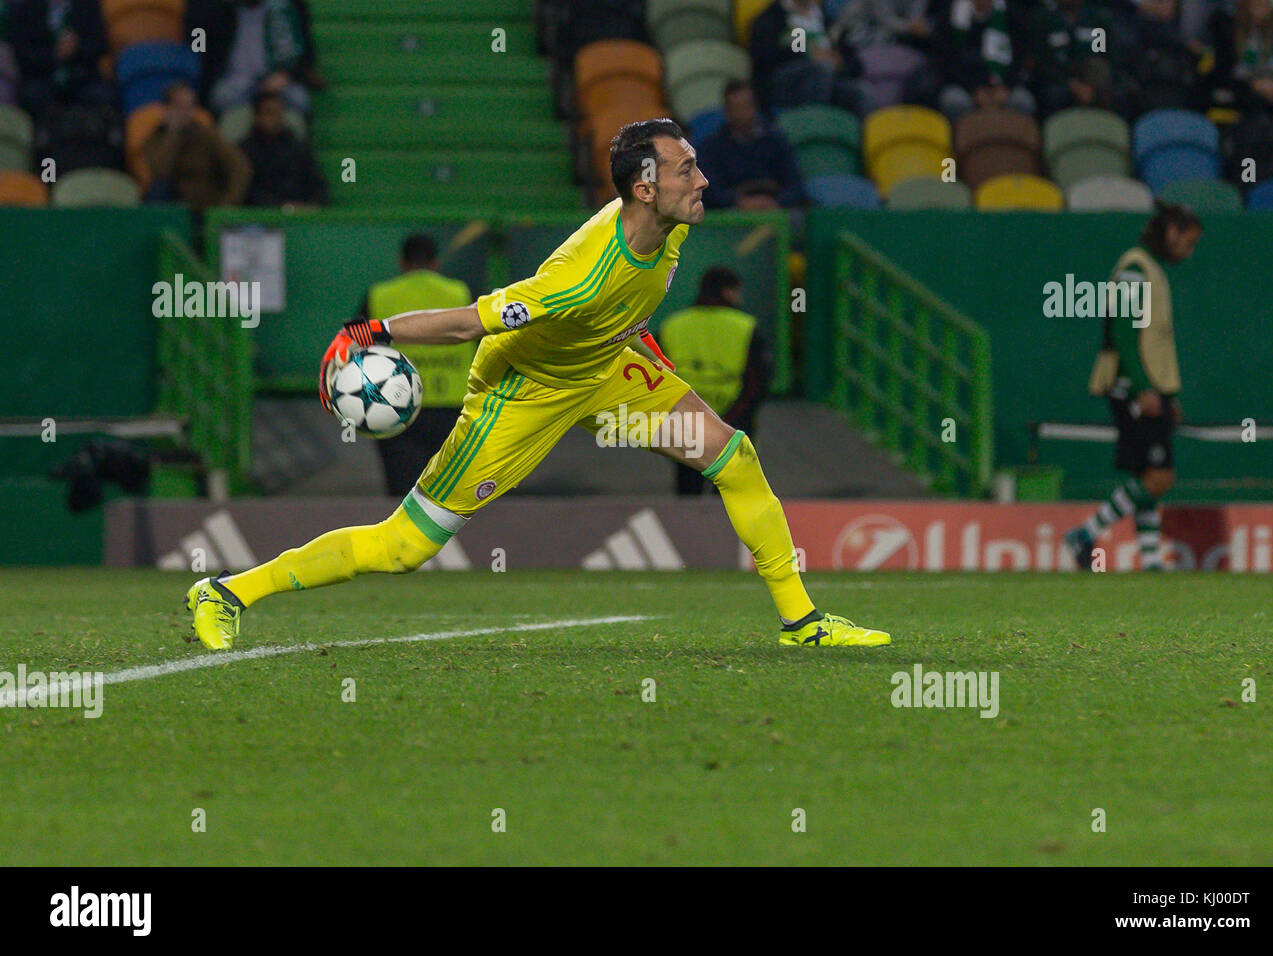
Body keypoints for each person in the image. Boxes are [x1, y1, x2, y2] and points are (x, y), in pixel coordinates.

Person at [187, 118, 890, 650]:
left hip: (608, 368)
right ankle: (227, 591)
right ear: (646, 188)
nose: (702, 180)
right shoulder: (577, 274)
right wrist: (369, 333)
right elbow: (470, 324)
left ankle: (801, 621)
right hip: (523, 389)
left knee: (733, 456)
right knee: (404, 547)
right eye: (686, 170)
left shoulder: (670, 227)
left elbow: (631, 305)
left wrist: (647, 361)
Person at [1065, 202, 1202, 572]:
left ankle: (1152, 560)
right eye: (1187, 243)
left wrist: (1167, 394)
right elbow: (1124, 332)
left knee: (1147, 478)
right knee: (1160, 477)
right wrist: (1143, 388)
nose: (1188, 252)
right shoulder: (1134, 268)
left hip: (1150, 389)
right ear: (1171, 232)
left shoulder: (1149, 269)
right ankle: (1085, 532)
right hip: (1133, 389)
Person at [354, 233, 475, 497]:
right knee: (448, 496)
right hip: (452, 408)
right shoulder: (461, 292)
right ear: (436, 262)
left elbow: (355, 344)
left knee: (402, 497)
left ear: (402, 263)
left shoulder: (379, 295)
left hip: (395, 407)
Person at [658, 268, 772, 495]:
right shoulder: (747, 327)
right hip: (732, 424)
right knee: (732, 498)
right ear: (728, 292)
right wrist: (731, 420)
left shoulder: (672, 326)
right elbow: (758, 382)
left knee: (687, 495)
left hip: (686, 423)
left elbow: (655, 377)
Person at [749, 0, 875, 117]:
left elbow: (854, 62)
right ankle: (815, 124)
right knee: (821, 68)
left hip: (828, 81)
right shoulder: (770, 18)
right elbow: (763, 56)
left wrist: (841, 62)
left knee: (862, 92)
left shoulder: (826, 20)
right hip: (785, 85)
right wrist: (807, 54)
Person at [141, 81, 251, 212]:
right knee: (158, 189)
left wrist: (228, 204)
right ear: (166, 109)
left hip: (205, 205)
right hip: (174, 206)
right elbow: (160, 171)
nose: (184, 113)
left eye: (189, 107)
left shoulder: (207, 136)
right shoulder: (156, 138)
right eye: (179, 107)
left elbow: (240, 167)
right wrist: (172, 135)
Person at [695, 81, 805, 210]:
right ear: (726, 111)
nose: (742, 113)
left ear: (755, 107)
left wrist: (775, 202)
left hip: (775, 209)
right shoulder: (712, 147)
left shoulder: (776, 141)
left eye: (746, 106)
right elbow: (710, 190)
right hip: (731, 215)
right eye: (736, 108)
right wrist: (738, 202)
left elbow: (795, 184)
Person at [935, 0, 1035, 121]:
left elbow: (1020, 56)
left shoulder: (1011, 13)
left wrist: (1006, 86)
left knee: (1022, 101)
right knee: (953, 101)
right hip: (965, 85)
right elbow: (947, 61)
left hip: (1004, 85)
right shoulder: (951, 15)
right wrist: (974, 89)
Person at [239, 90, 327, 207]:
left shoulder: (297, 147)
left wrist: (312, 204)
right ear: (257, 116)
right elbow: (247, 192)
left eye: (278, 113)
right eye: (269, 113)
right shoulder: (245, 151)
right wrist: (280, 205)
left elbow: (317, 184)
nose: (275, 118)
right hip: (261, 217)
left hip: (299, 215)